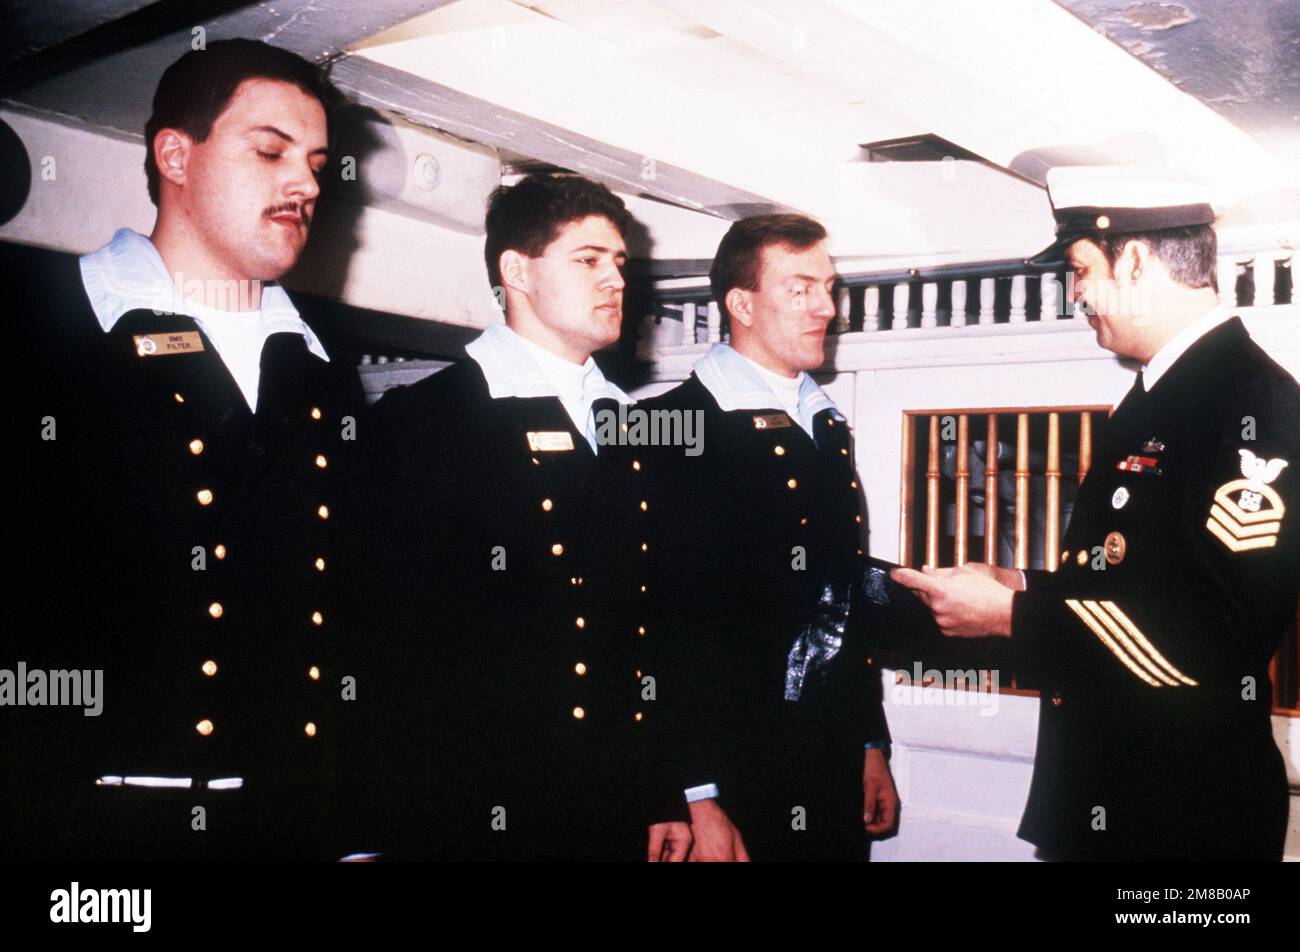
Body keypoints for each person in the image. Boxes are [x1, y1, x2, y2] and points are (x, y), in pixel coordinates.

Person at [5, 39, 361, 860]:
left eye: (314, 161)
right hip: (89, 831)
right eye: (269, 151)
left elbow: (350, 618)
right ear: (175, 154)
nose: (307, 183)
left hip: (286, 824)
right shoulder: (39, 328)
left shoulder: (321, 368)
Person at [893, 167, 1299, 861]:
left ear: (1136, 260)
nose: (1076, 292)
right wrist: (1024, 587)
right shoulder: (1162, 395)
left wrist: (1011, 618)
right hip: (1117, 800)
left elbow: (1214, 633)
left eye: (1081, 269)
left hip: (1180, 822)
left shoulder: (1249, 401)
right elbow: (1136, 586)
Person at [347, 173, 690, 861]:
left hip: (609, 808)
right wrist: (367, 835)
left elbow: (642, 625)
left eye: (620, 263)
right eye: (588, 259)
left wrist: (661, 788)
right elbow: (381, 640)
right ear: (517, 271)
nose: (615, 280)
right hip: (470, 808)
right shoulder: (427, 422)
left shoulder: (628, 425)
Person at [634, 213, 897, 861]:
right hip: (727, 779)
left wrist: (869, 744)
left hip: (830, 767)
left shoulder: (827, 426)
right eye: (800, 288)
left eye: (829, 288)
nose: (827, 309)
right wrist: (691, 794)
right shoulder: (663, 429)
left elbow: (839, 602)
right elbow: (648, 626)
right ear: (741, 304)